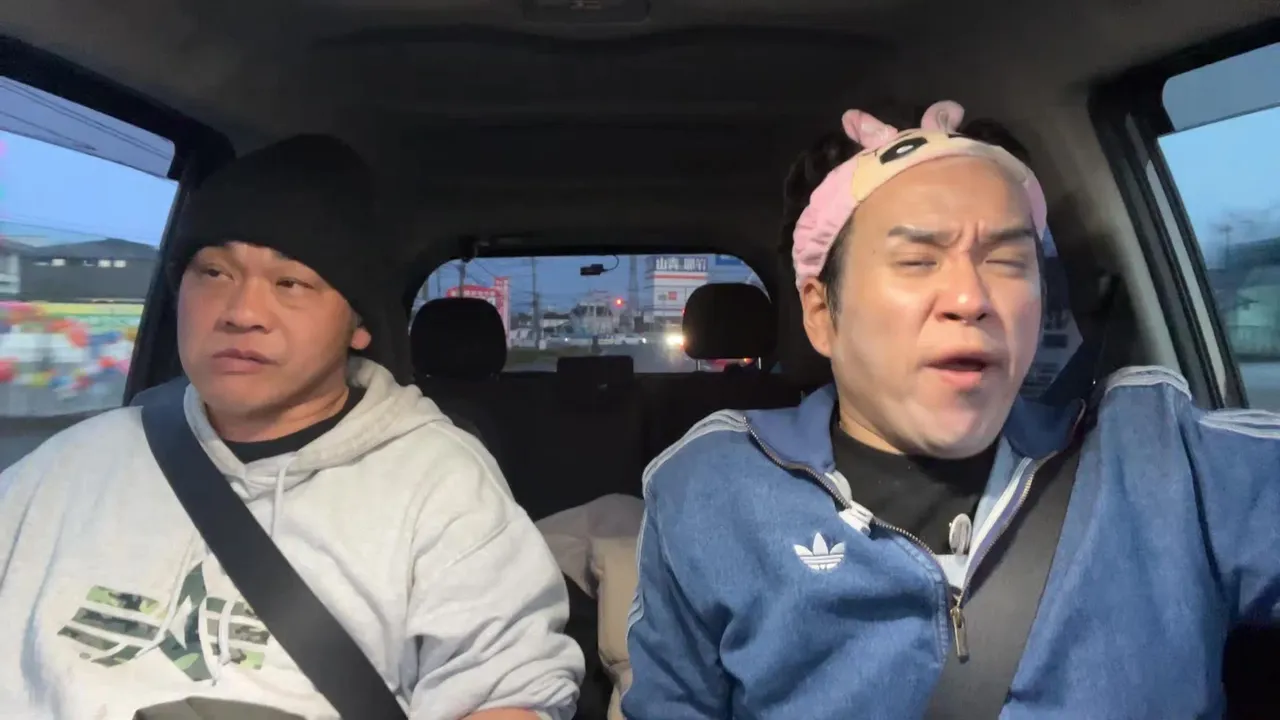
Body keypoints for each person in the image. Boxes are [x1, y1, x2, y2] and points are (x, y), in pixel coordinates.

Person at [622, 101, 1280, 718]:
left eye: (1009, 261)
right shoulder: (713, 492)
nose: (971, 298)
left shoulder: (1160, 455)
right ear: (822, 313)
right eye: (917, 260)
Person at [0, 135, 583, 719]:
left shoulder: (442, 486)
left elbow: (507, 695)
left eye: (290, 283)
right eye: (214, 272)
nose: (242, 313)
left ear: (358, 324)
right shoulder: (69, 465)